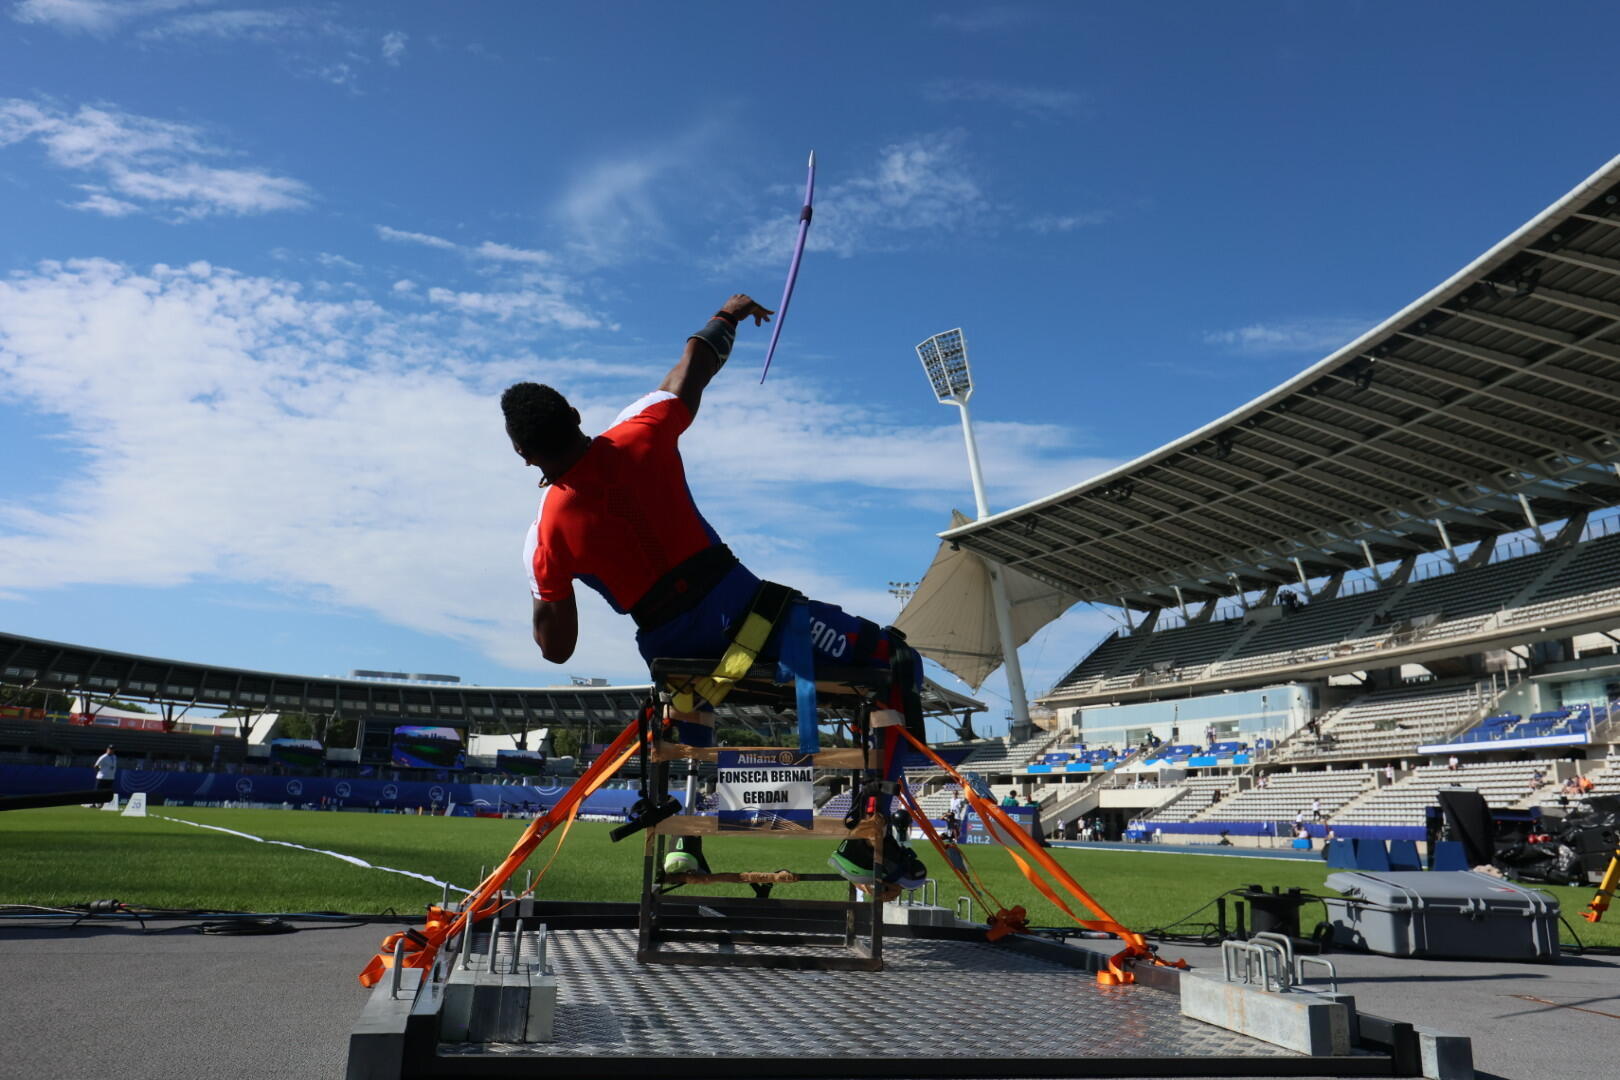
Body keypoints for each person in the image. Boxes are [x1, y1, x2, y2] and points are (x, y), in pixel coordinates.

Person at [506, 294, 926, 892]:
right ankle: (874, 835)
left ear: (524, 457)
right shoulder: (642, 432)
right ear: (574, 412)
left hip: (680, 659)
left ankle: (686, 846)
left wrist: (547, 573)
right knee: (896, 659)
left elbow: (557, 649)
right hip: (757, 622)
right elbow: (694, 364)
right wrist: (725, 315)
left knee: (689, 694)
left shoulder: (544, 534)